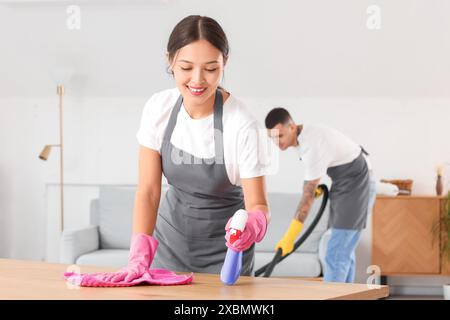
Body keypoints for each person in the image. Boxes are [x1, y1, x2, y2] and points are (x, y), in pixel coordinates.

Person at [103, 15, 271, 283]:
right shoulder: (158, 109)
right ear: (170, 61)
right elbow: (148, 192)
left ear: (224, 63)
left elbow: (259, 204)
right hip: (168, 248)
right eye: (186, 67)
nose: (197, 80)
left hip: (226, 256)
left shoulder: (244, 124)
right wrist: (138, 257)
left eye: (210, 68)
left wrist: (253, 226)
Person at [265, 107, 376, 283]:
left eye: (280, 136)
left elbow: (306, 200)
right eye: (272, 138)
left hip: (357, 184)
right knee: (343, 252)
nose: (277, 142)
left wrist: (289, 238)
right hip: (345, 184)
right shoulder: (302, 136)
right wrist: (311, 189)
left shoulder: (312, 146)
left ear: (292, 127)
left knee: (335, 253)